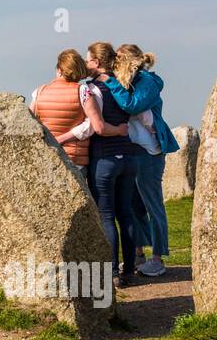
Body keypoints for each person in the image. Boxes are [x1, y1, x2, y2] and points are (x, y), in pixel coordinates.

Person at [102, 45, 179, 277]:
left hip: (150, 151)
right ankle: (138, 253)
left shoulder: (148, 82)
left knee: (152, 203)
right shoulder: (127, 80)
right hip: (132, 149)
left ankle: (158, 257)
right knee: (133, 206)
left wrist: (109, 81)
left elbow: (132, 105)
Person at [83, 42, 143, 285]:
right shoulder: (124, 85)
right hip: (128, 156)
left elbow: (97, 127)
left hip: (105, 157)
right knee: (125, 214)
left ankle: (112, 274)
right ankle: (129, 269)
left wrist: (114, 131)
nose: (85, 65)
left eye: (88, 61)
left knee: (106, 216)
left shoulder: (92, 89)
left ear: (97, 63)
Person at [29, 49, 93, 169]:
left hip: (48, 155)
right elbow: (92, 124)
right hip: (75, 158)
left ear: (59, 71)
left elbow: (30, 121)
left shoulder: (39, 92)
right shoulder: (82, 91)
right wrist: (65, 137)